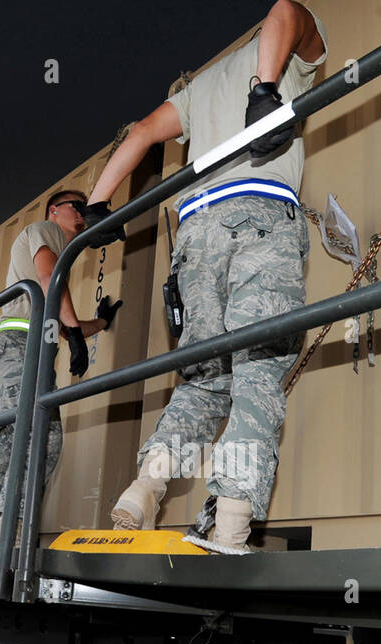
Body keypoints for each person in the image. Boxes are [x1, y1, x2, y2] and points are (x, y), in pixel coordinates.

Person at [84, 0, 326, 553]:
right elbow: (288, 8)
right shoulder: (286, 57)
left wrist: (99, 205)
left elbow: (144, 130)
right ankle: (232, 525)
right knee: (257, 376)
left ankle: (145, 488)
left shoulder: (198, 87)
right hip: (258, 217)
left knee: (206, 382)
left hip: (196, 239)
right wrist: (266, 90)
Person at [0, 189, 123, 551]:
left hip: (35, 354)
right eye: (78, 207)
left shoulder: (64, 252)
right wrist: (76, 335)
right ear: (55, 211)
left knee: (43, 439)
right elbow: (49, 276)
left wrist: (98, 324)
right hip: (18, 347)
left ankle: (11, 526)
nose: (83, 214)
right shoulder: (44, 232)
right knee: (16, 433)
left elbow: (65, 324)